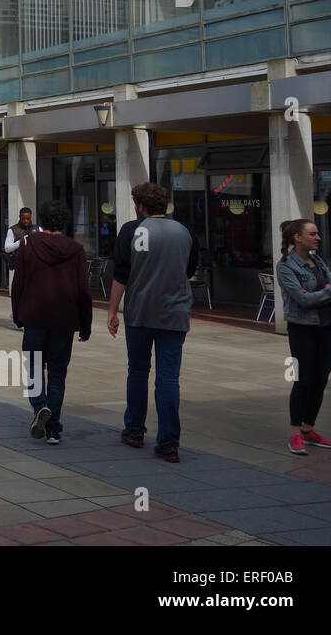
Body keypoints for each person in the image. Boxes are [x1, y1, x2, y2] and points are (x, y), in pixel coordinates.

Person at [107, 182, 198, 463]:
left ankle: (134, 430)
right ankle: (169, 443)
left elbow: (121, 274)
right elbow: (189, 270)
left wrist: (112, 311)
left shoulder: (130, 230)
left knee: (137, 370)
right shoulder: (184, 231)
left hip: (140, 313)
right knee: (169, 377)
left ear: (141, 206)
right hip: (175, 313)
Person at [10, 201, 92, 446]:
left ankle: (40, 408)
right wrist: (85, 325)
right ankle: (54, 428)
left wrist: (18, 315)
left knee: (34, 369)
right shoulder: (76, 250)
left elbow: (18, 284)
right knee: (57, 372)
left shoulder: (27, 244)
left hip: (34, 317)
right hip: (64, 320)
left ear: (41, 221)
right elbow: (83, 291)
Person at [276, 219, 331, 455]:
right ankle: (295, 434)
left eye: (317, 234)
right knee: (302, 381)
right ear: (297, 237)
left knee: (320, 380)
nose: (318, 238)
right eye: (313, 234)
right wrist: (326, 291)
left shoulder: (317, 260)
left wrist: (323, 291)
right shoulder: (285, 266)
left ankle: (309, 429)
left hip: (326, 327)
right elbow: (301, 300)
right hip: (301, 329)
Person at [3, 207, 38, 283]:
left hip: (34, 264)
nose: (26, 221)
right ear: (20, 217)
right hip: (20, 264)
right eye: (23, 219)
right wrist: (20, 242)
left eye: (28, 219)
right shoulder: (13, 230)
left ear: (31, 217)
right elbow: (7, 248)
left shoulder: (37, 228)